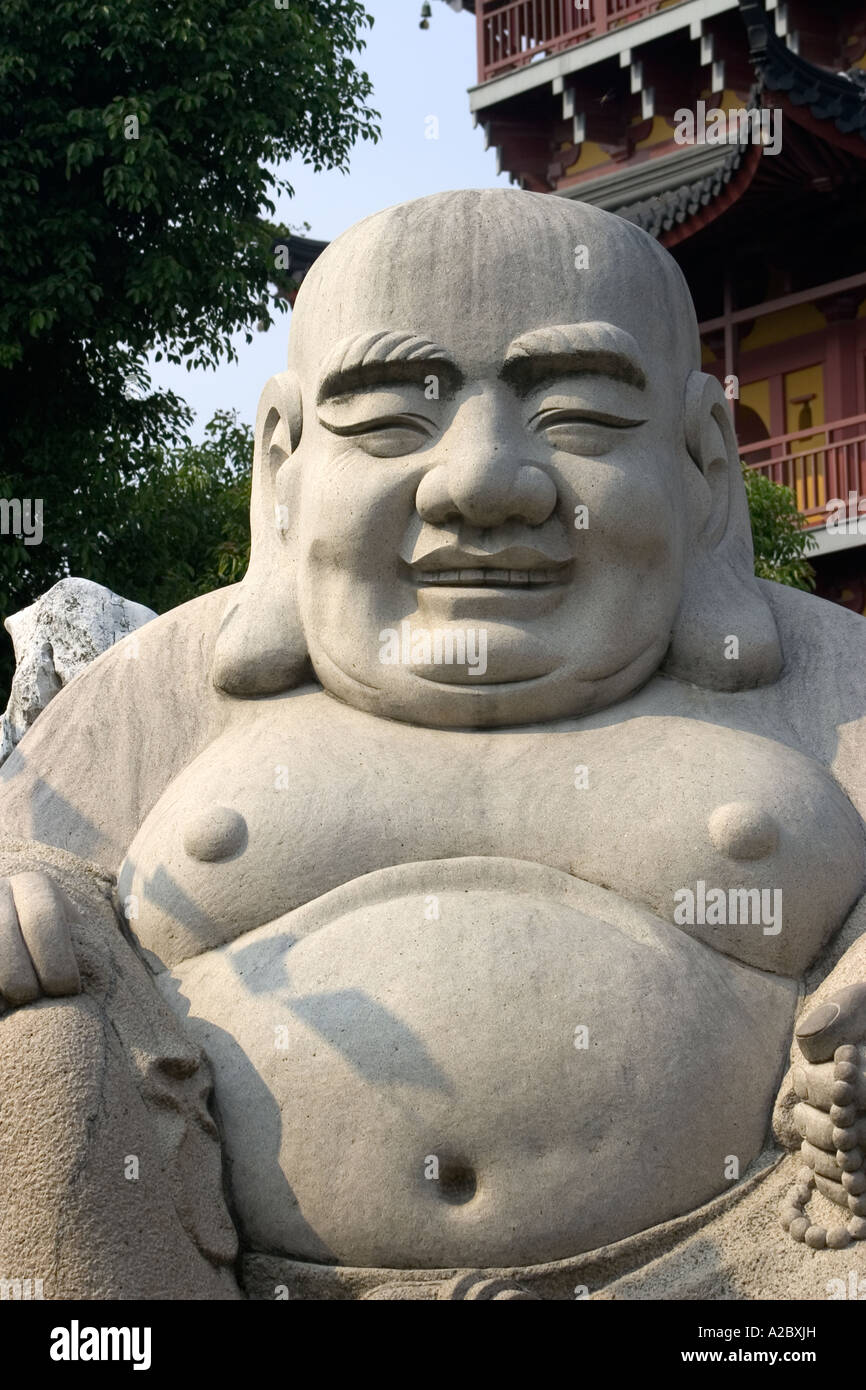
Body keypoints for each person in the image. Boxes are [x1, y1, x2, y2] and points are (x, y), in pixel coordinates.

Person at [2, 189, 865, 1300]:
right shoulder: (166, 688)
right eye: (386, 423)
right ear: (283, 465)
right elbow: (25, 855)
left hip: (756, 1279)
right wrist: (30, 895)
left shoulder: (826, 681)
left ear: (700, 467)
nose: (480, 484)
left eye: (580, 418)